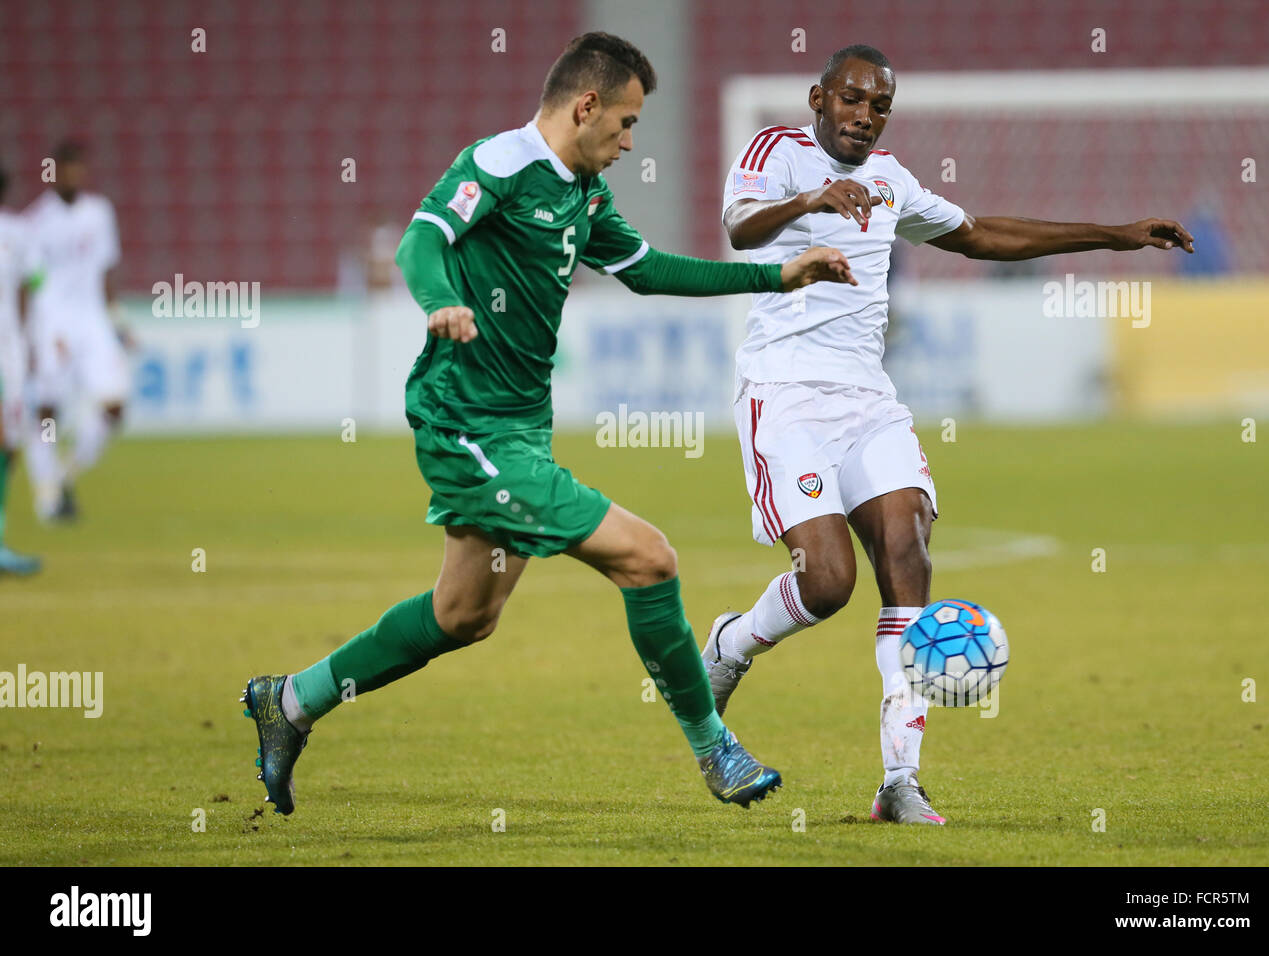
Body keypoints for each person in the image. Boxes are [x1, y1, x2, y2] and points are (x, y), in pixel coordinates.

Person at [240, 32, 856, 815]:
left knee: (463, 616)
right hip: (466, 426)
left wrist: (776, 274)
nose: (632, 141)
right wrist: (441, 303)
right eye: (626, 123)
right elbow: (421, 239)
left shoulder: (582, 192)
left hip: (520, 426)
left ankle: (288, 702)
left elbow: (650, 271)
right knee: (650, 559)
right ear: (585, 104)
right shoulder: (499, 163)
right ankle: (715, 750)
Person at [705, 44, 1193, 825]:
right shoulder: (777, 154)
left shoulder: (893, 181)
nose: (865, 116)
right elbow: (739, 230)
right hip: (785, 394)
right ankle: (732, 645)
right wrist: (809, 204)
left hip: (868, 399)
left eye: (879, 106)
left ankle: (900, 780)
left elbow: (980, 234)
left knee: (908, 552)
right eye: (852, 100)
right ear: (818, 98)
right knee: (828, 583)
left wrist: (1114, 235)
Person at [23, 139, 129, 522]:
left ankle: (64, 475)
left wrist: (117, 322)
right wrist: (33, 332)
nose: (73, 176)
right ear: (52, 173)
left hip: (93, 321)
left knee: (115, 408)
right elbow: (31, 282)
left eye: (78, 168)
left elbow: (105, 272)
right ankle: (47, 495)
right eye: (66, 169)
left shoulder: (99, 213)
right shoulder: (36, 222)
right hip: (54, 324)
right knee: (48, 414)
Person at [0, 163, 42, 574]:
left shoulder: (18, 232)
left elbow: (35, 283)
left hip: (9, 352)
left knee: (9, 443)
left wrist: (29, 344)